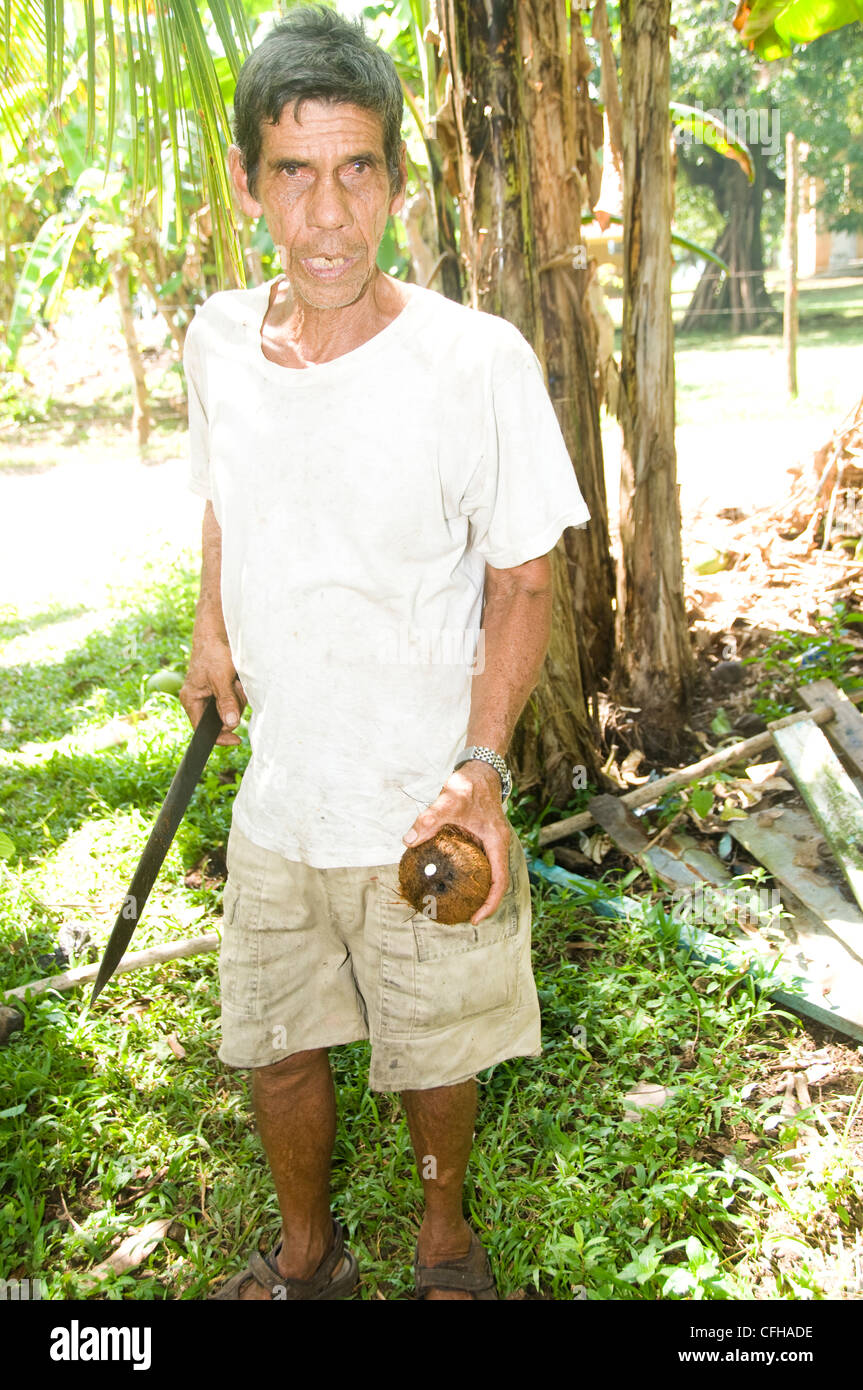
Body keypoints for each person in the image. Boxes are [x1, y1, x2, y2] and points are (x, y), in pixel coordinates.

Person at [180, 3, 590, 1302]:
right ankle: (309, 1255)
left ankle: (444, 1239)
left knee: (437, 1048)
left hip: (426, 795)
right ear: (249, 184)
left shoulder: (474, 364)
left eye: (357, 168)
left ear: (398, 183)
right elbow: (224, 492)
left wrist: (481, 763)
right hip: (282, 801)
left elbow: (526, 576)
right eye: (293, 173)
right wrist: (209, 625)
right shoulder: (215, 344)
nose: (327, 215)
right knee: (278, 1043)